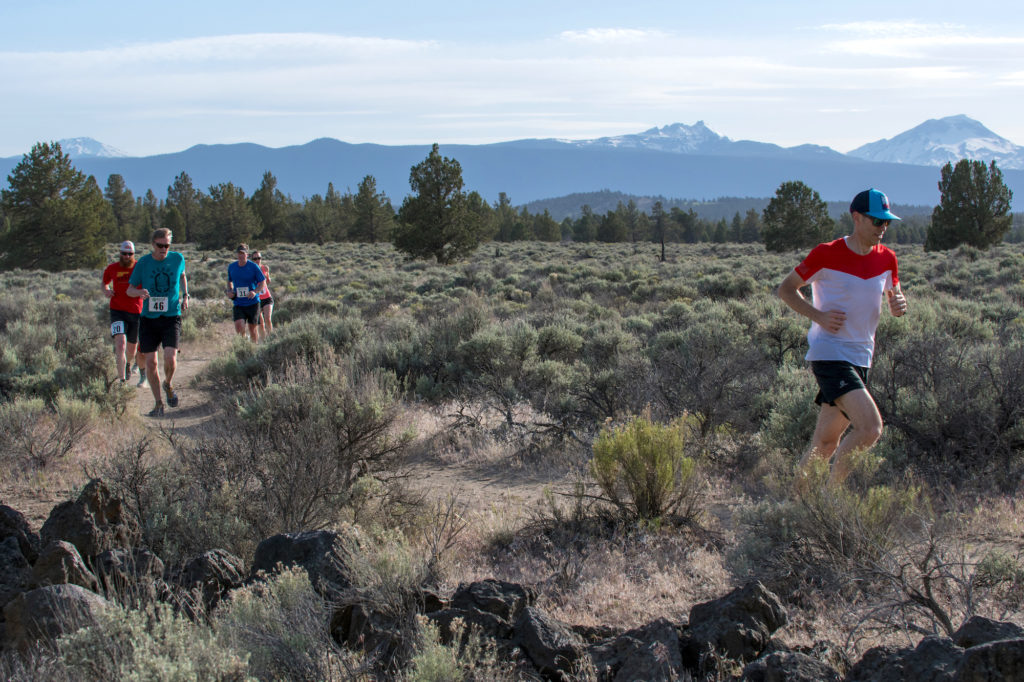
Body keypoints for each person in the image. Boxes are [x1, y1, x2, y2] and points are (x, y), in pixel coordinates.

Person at [777, 188, 908, 486]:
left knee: (825, 442)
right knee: (871, 428)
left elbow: (895, 296)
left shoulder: (888, 259)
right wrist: (818, 316)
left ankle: (798, 502)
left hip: (861, 356)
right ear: (857, 218)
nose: (883, 228)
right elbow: (786, 289)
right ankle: (834, 502)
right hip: (830, 353)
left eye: (887, 222)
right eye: (877, 221)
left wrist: (899, 306)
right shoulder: (827, 253)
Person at [126, 228, 189, 417]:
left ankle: (168, 383)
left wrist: (185, 295)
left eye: (167, 245)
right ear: (153, 245)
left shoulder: (178, 259)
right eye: (160, 245)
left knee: (170, 357)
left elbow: (183, 275)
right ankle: (158, 403)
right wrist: (139, 293)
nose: (163, 249)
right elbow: (130, 290)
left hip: (171, 317)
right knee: (151, 363)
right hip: (148, 319)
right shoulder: (144, 263)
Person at [102, 241, 146, 386]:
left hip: (135, 311)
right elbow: (104, 283)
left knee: (131, 349)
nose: (127, 257)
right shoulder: (112, 268)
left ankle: (128, 364)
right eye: (124, 254)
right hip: (117, 311)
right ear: (120, 253)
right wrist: (106, 290)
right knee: (120, 343)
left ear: (134, 254)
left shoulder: (140, 267)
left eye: (130, 254)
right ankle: (121, 382)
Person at [226, 244, 266, 342]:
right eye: (239, 253)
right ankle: (244, 345)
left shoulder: (253, 267)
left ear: (247, 255)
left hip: (252, 302)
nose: (240, 256)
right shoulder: (232, 267)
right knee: (239, 327)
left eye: (243, 254)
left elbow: (263, 282)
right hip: (238, 303)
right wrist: (230, 291)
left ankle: (253, 349)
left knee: (252, 329)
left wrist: (254, 291)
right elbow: (229, 281)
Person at [252, 250, 274, 337]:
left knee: (268, 319)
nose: (257, 260)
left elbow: (268, 282)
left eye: (259, 258)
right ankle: (263, 341)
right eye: (255, 258)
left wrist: (268, 278)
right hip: (257, 300)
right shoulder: (251, 271)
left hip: (267, 297)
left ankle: (271, 338)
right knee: (260, 323)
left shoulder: (265, 268)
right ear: (252, 260)